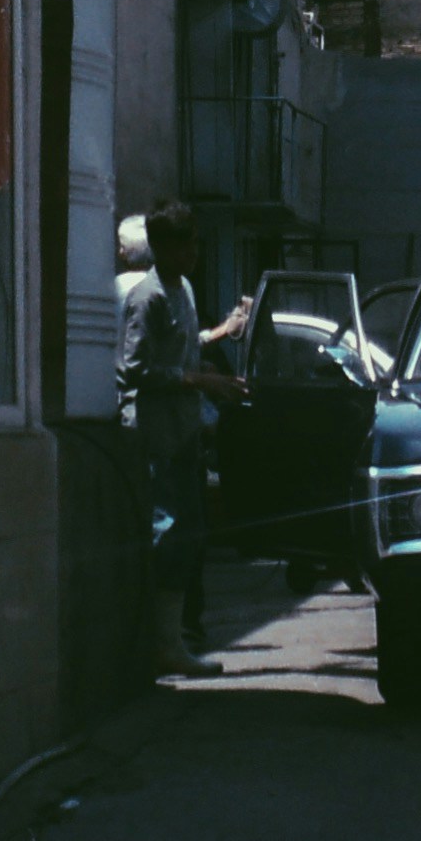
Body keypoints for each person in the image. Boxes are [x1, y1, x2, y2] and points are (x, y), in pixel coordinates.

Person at [116, 203, 244, 676]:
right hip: (156, 432)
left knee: (187, 534)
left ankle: (171, 641)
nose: (193, 253)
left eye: (195, 243)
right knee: (163, 532)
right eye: (185, 244)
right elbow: (133, 369)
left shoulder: (184, 290)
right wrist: (198, 381)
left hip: (185, 430)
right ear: (163, 247)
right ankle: (158, 643)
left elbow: (184, 352)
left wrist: (214, 353)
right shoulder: (145, 297)